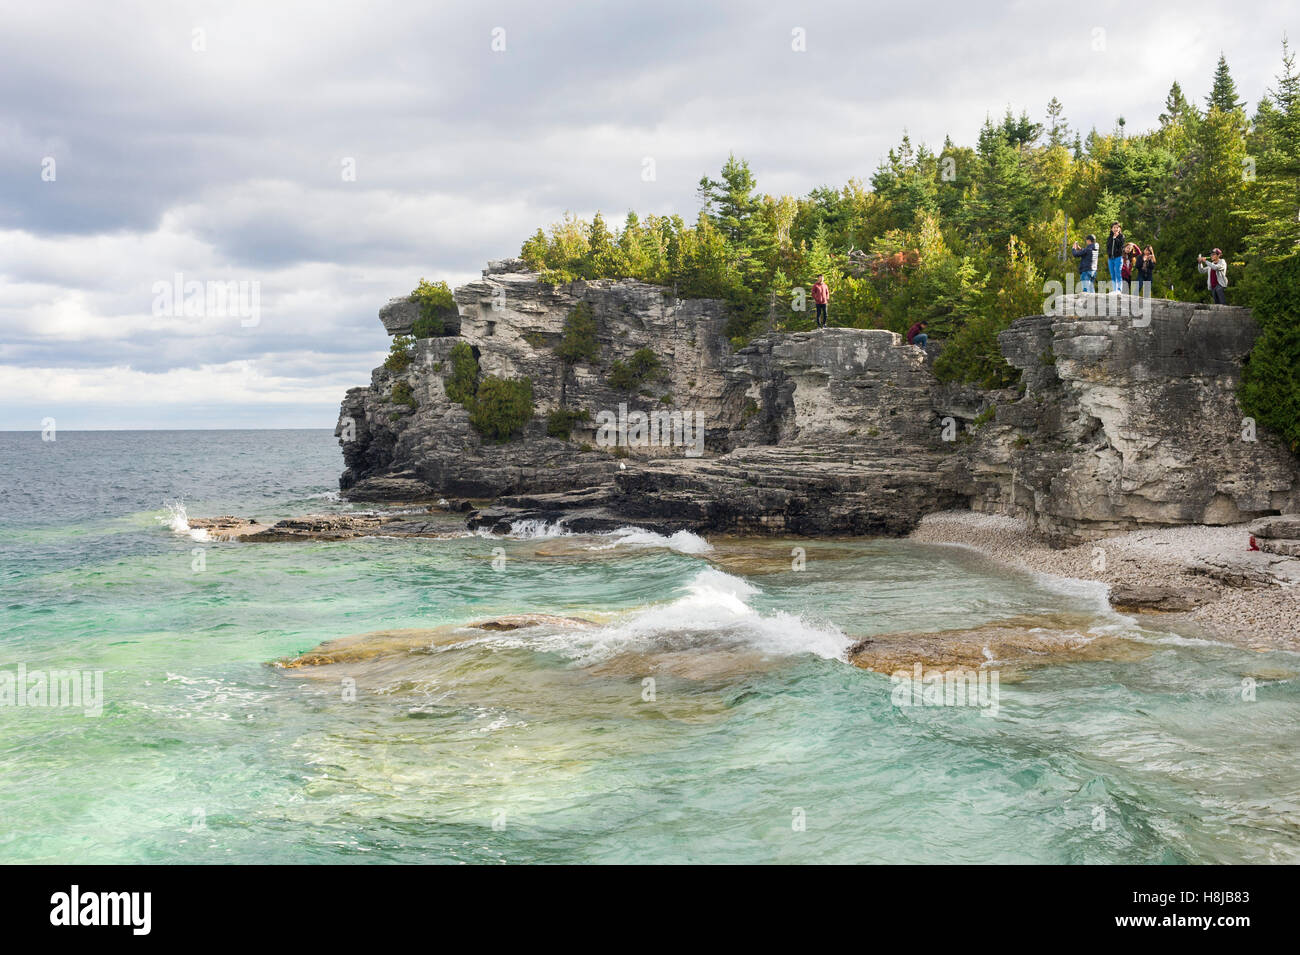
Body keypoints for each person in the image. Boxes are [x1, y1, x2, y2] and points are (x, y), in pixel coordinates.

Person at [1106, 222, 1125, 292]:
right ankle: (1114, 289)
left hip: (1118, 257)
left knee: (1117, 273)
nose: (1115, 229)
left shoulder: (1122, 237)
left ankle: (1119, 289)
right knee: (1112, 274)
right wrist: (1112, 238)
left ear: (1119, 229)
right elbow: (1108, 247)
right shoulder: (1109, 237)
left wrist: (1116, 238)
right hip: (1110, 258)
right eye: (1114, 227)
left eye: (1117, 227)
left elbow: (1121, 245)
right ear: (1111, 229)